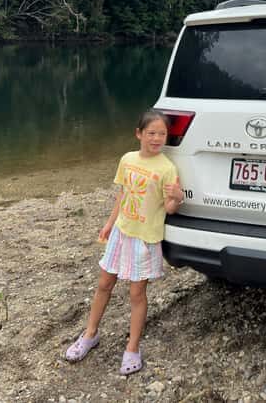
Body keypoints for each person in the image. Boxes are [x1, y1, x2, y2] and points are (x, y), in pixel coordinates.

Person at [64, 108, 185, 375]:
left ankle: (132, 347)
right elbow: (122, 194)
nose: (156, 138)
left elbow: (170, 208)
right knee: (104, 283)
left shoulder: (167, 168)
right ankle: (90, 334)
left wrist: (178, 196)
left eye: (162, 134)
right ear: (139, 134)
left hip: (145, 238)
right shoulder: (128, 159)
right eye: (151, 133)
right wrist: (109, 224)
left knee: (136, 294)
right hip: (121, 232)